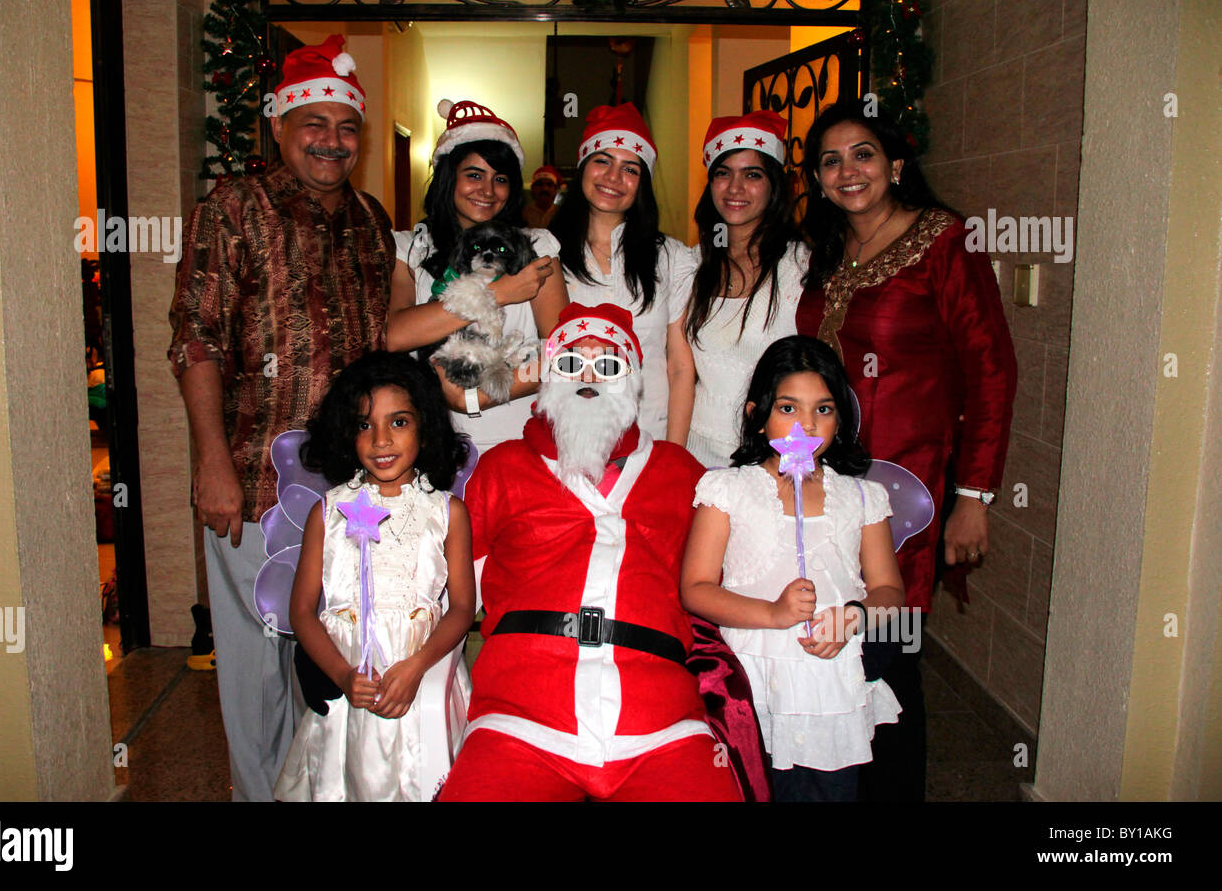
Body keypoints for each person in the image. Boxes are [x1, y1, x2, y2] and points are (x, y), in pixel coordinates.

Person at [167, 34, 394, 801]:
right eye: (313, 124)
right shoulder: (231, 208)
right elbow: (194, 339)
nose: (332, 141)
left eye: (346, 127)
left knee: (329, 659)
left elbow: (382, 346)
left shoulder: (369, 219)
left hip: (350, 494)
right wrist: (212, 463)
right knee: (258, 665)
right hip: (256, 484)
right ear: (279, 127)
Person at [795, 100, 1017, 801]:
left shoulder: (945, 242)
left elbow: (991, 369)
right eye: (830, 160)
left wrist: (974, 497)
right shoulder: (829, 252)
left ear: (894, 165)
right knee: (836, 652)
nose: (846, 170)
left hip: (906, 495)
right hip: (827, 490)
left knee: (888, 658)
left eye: (862, 154)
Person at [437, 303, 745, 801]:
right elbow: (451, 596)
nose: (588, 375)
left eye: (608, 365)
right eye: (570, 362)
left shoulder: (682, 473)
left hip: (661, 720)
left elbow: (729, 582)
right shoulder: (504, 468)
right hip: (521, 715)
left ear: (633, 381)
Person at [681, 336, 905, 801]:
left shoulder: (862, 498)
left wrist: (855, 616)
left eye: (822, 410)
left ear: (840, 418)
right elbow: (696, 588)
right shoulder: (727, 490)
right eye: (788, 408)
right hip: (751, 683)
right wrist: (773, 613)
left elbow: (889, 592)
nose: (805, 423)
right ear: (756, 415)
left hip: (830, 684)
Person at [274, 352, 475, 801]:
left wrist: (417, 666)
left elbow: (462, 608)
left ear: (425, 426)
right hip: (352, 684)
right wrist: (344, 676)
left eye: (398, 422)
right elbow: (303, 611)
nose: (381, 440)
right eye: (365, 425)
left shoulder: (446, 513)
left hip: (421, 675)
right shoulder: (326, 513)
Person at [388, 99, 568, 453]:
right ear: (447, 176)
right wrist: (499, 293)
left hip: (518, 438)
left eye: (500, 179)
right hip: (430, 442)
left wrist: (474, 398)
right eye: (474, 175)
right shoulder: (411, 248)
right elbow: (395, 335)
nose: (487, 191)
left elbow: (562, 355)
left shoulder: (537, 246)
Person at [551, 103, 694, 441]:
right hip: (566, 439)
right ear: (583, 166)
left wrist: (673, 455)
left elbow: (679, 365)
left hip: (649, 434)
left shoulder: (671, 257)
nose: (614, 178)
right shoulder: (545, 251)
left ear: (642, 183)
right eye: (603, 161)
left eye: (630, 169)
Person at [675, 110, 809, 467]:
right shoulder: (691, 265)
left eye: (752, 175)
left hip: (776, 457)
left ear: (774, 186)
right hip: (697, 452)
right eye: (723, 174)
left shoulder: (802, 266)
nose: (735, 188)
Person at [522, 164, 563, 228]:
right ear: (533, 189)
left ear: (555, 190)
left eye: (549, 185)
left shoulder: (562, 213)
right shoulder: (524, 213)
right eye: (540, 184)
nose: (544, 188)